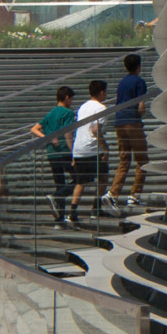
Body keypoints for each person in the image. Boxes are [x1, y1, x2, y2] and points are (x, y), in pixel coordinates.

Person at [107, 52, 150, 212]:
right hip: (132, 122)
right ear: (139, 66)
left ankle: (113, 194)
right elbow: (140, 105)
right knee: (142, 160)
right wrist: (141, 112)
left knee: (124, 161)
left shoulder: (121, 83)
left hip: (119, 123)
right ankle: (135, 195)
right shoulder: (139, 82)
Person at [31, 85, 77, 226]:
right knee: (79, 178)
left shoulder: (51, 113)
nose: (71, 102)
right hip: (64, 151)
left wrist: (48, 137)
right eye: (71, 99)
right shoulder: (68, 113)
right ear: (67, 97)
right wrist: (73, 152)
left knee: (59, 183)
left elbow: (34, 129)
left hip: (51, 153)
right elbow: (68, 133)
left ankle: (59, 218)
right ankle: (56, 197)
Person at [68, 80, 109, 228]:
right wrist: (105, 148)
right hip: (92, 148)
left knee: (81, 182)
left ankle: (72, 213)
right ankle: (96, 207)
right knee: (103, 177)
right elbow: (95, 130)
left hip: (79, 148)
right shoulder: (101, 108)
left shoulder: (82, 107)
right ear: (102, 92)